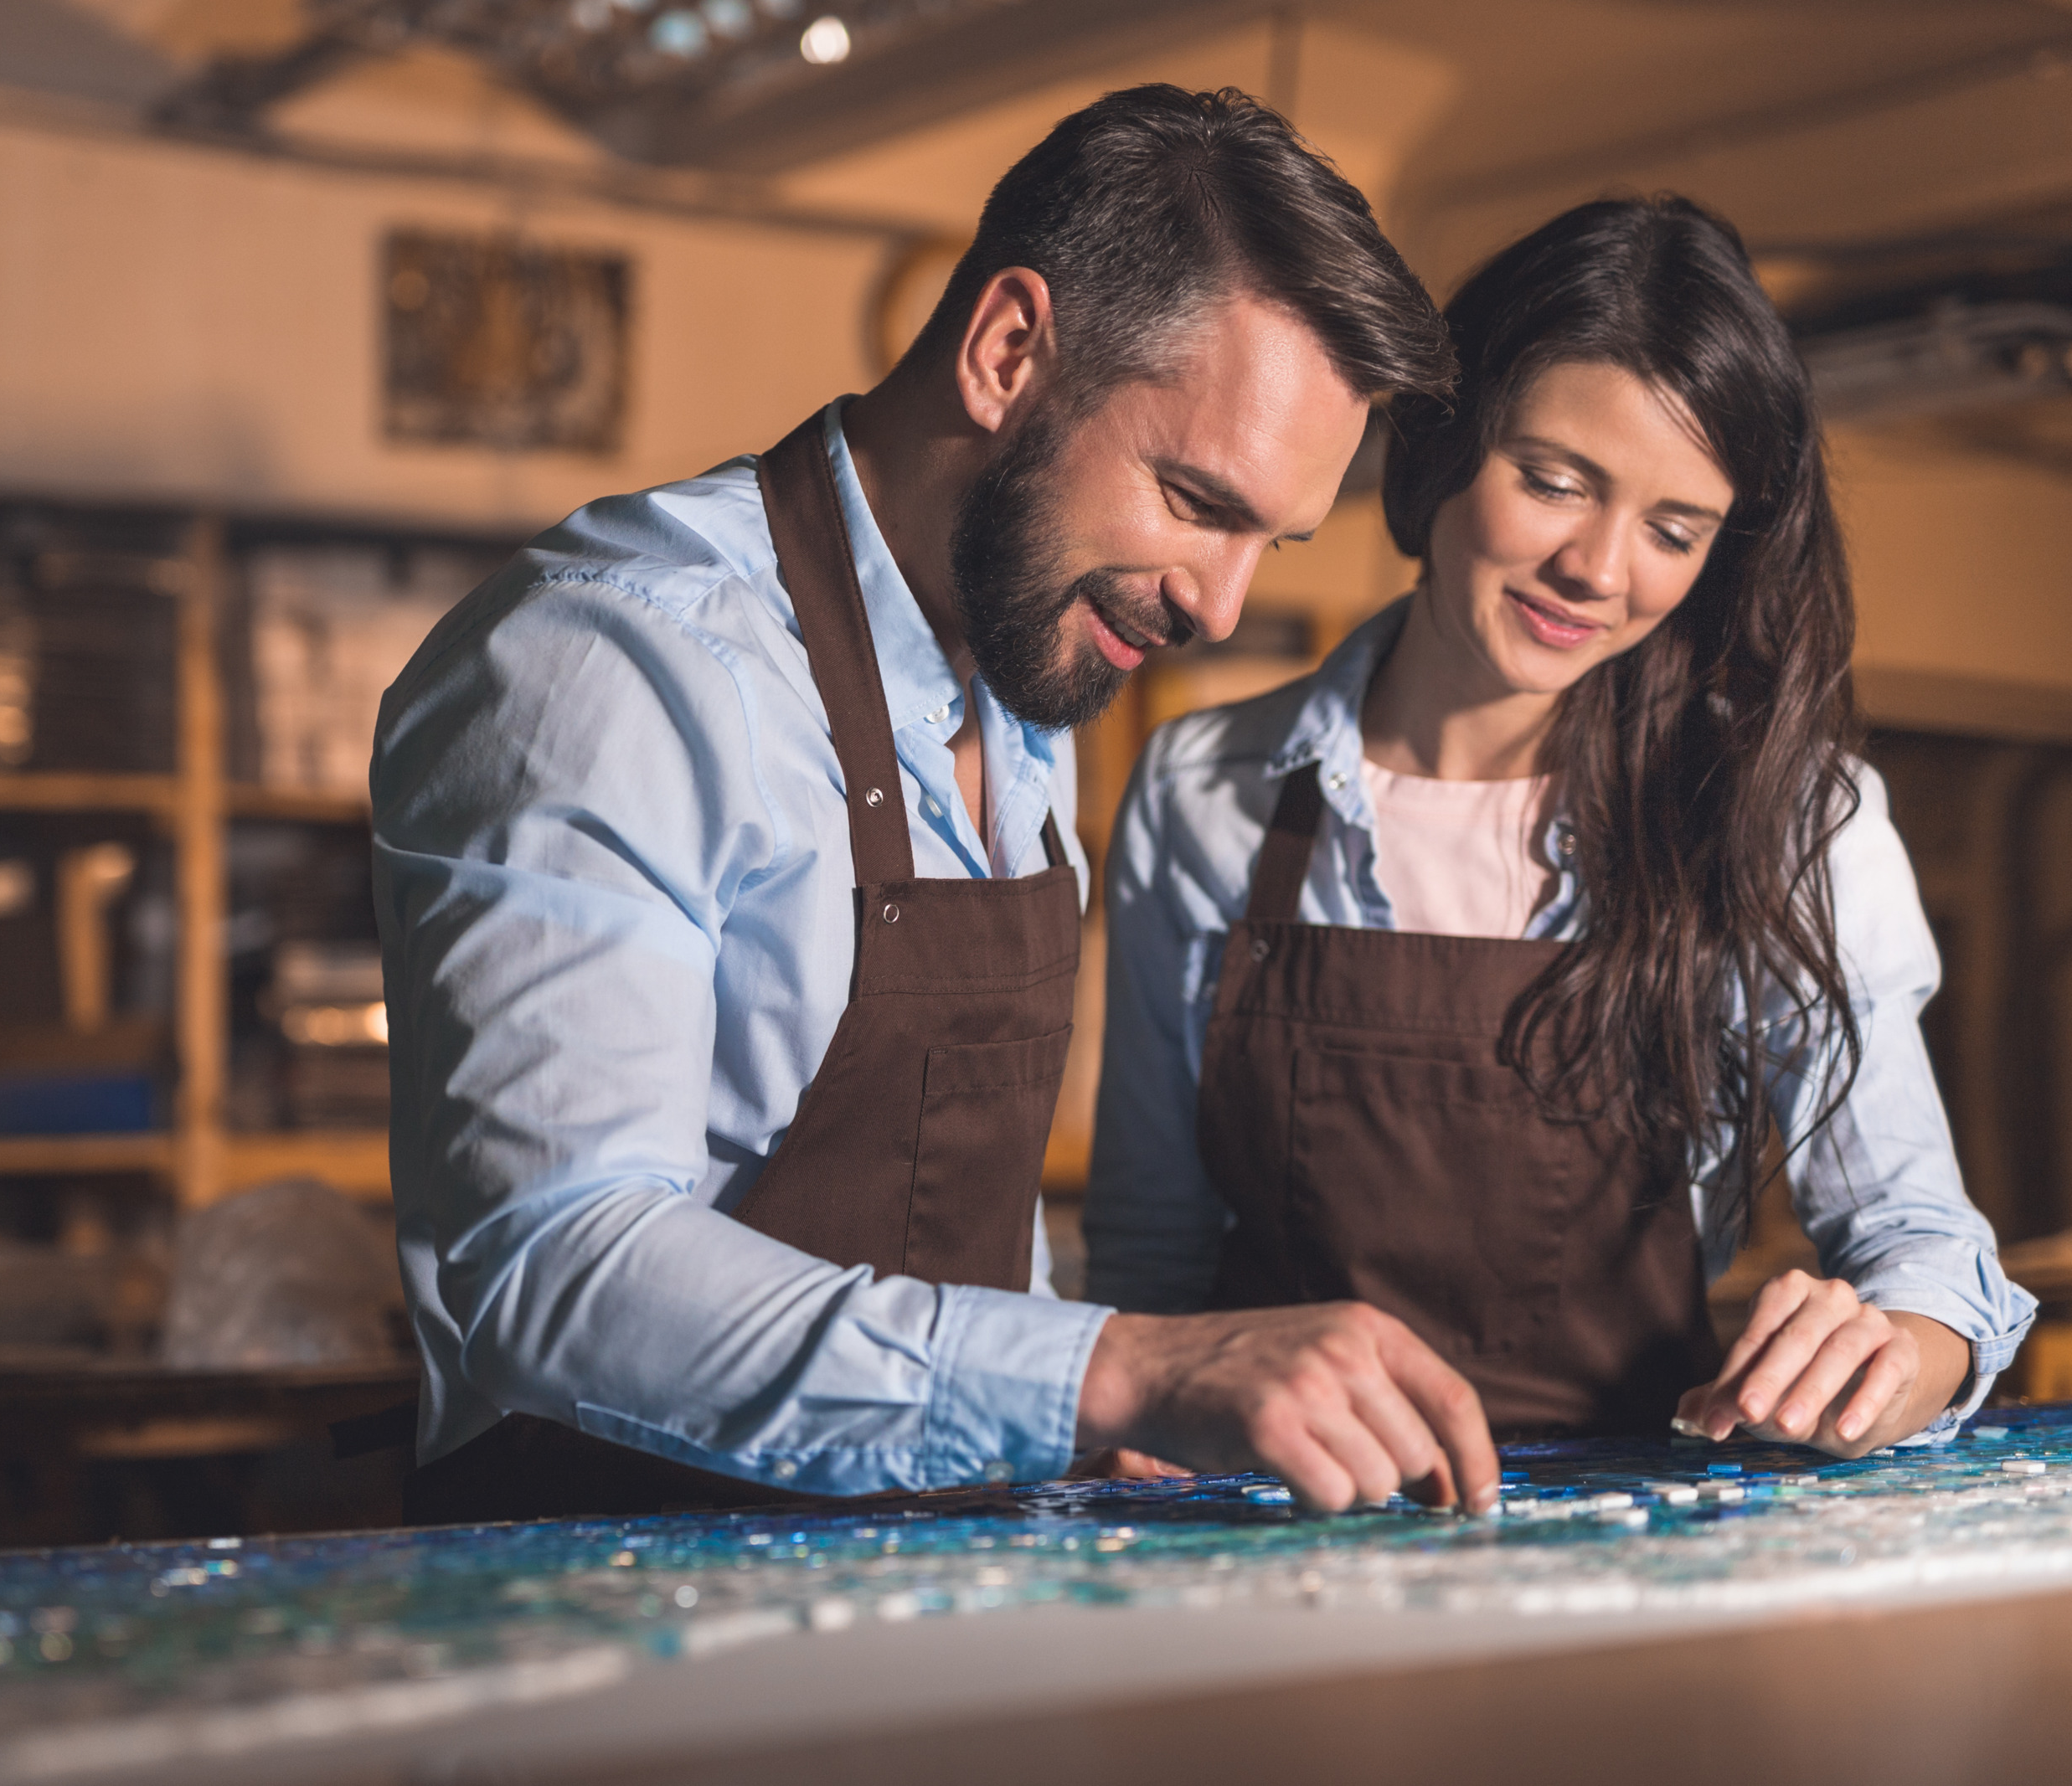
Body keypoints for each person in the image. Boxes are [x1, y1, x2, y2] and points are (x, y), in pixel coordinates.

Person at [371, 85, 1498, 1524]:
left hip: (921, 1608)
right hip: (617, 1641)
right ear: (1008, 349)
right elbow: (548, 1269)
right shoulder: (610, 666)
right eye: (1197, 503)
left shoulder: (1030, 668)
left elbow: (950, 1215)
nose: (1221, 604)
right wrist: (1104, 1368)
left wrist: (1051, 1423)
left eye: (1268, 540)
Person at [1086, 196, 2035, 1455]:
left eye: (1673, 529)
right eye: (1553, 481)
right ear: (1442, 444)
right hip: (1269, 1521)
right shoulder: (1208, 786)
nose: (1599, 567)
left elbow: (1919, 1241)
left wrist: (1896, 1346)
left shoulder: (1782, 816)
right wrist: (1139, 1425)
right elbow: (1152, 1253)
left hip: (1633, 1528)